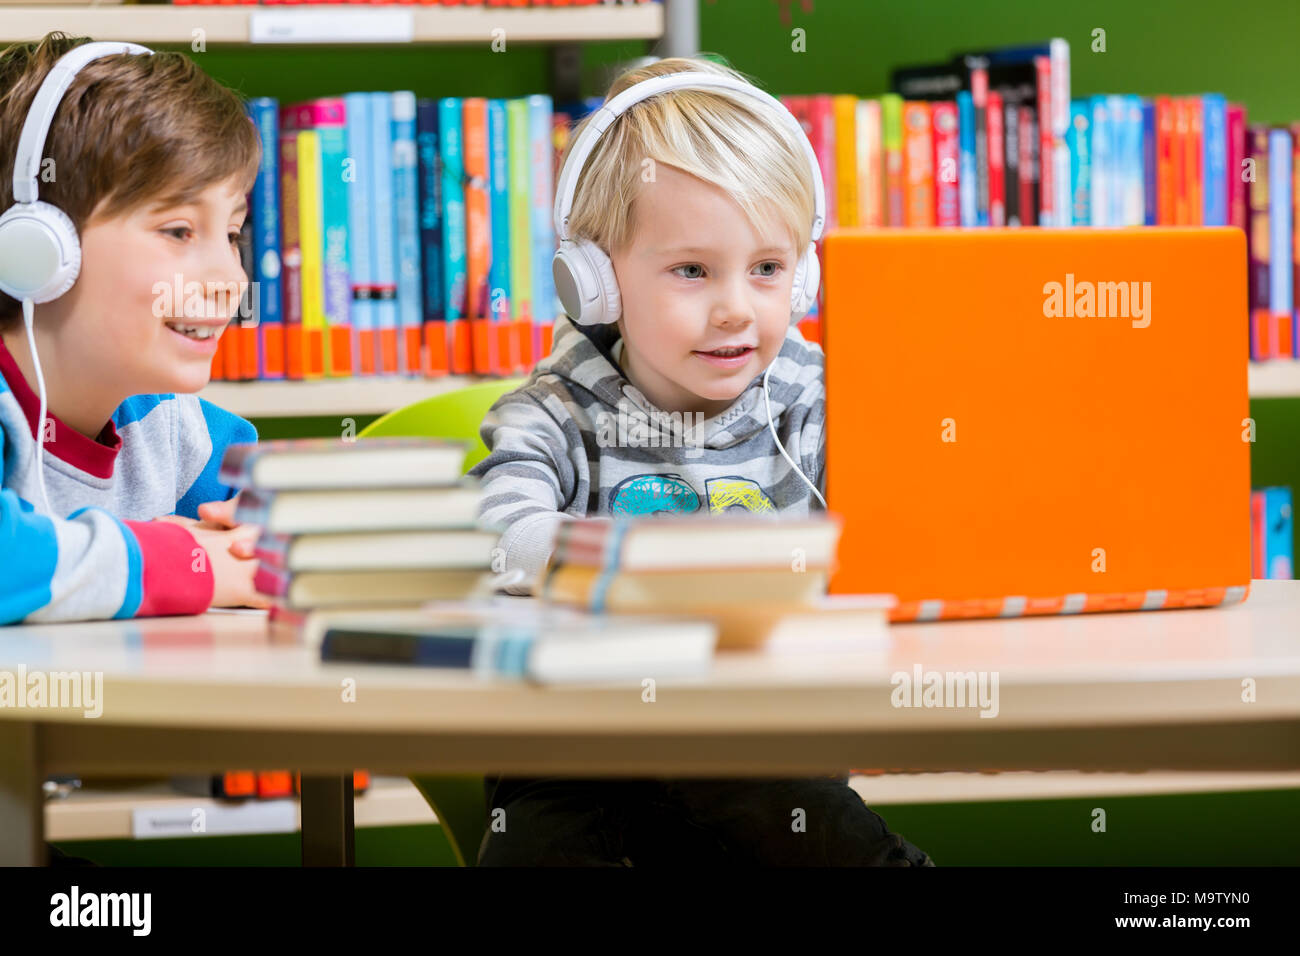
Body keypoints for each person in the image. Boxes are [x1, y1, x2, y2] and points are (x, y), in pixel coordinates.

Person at [469, 55, 935, 866]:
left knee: (805, 821)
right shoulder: (556, 409)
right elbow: (494, 527)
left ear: (804, 275)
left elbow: (919, 527)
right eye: (692, 270)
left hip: (759, 750)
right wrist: (635, 566)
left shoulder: (820, 400)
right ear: (595, 281)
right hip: (582, 752)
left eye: (766, 269)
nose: (735, 308)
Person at [0, 32, 267, 625]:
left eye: (232, 234)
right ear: (38, 248)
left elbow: (275, 515)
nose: (229, 276)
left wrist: (266, 528)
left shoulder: (168, 424)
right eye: (178, 231)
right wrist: (191, 560)